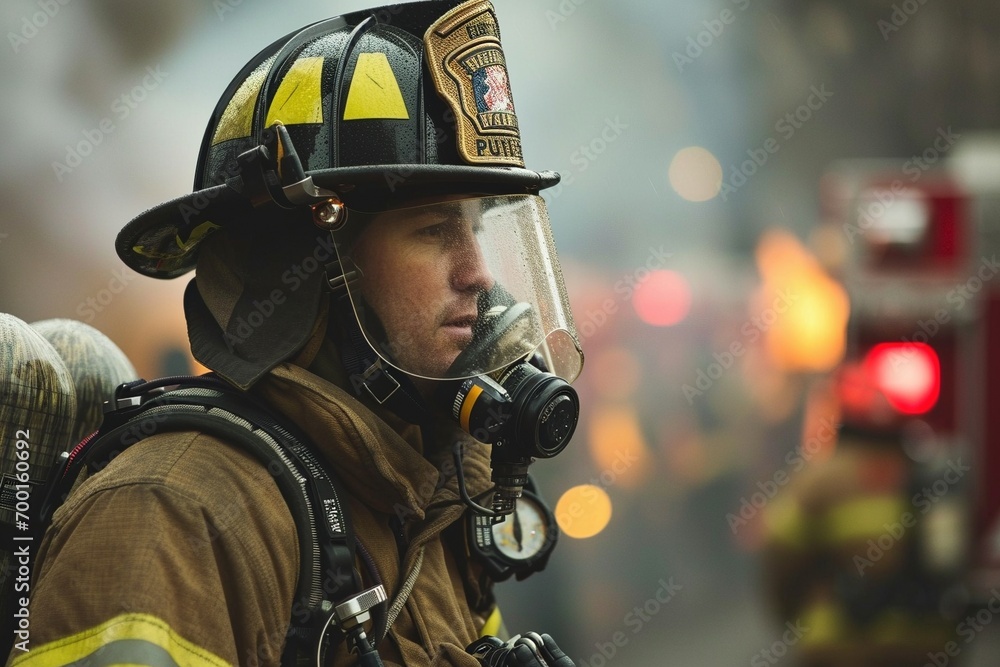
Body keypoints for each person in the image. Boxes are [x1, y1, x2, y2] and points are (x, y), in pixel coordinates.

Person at [14, 1, 584, 666]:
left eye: (477, 226)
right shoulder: (172, 514)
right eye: (433, 230)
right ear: (306, 267)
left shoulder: (429, 496)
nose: (481, 274)